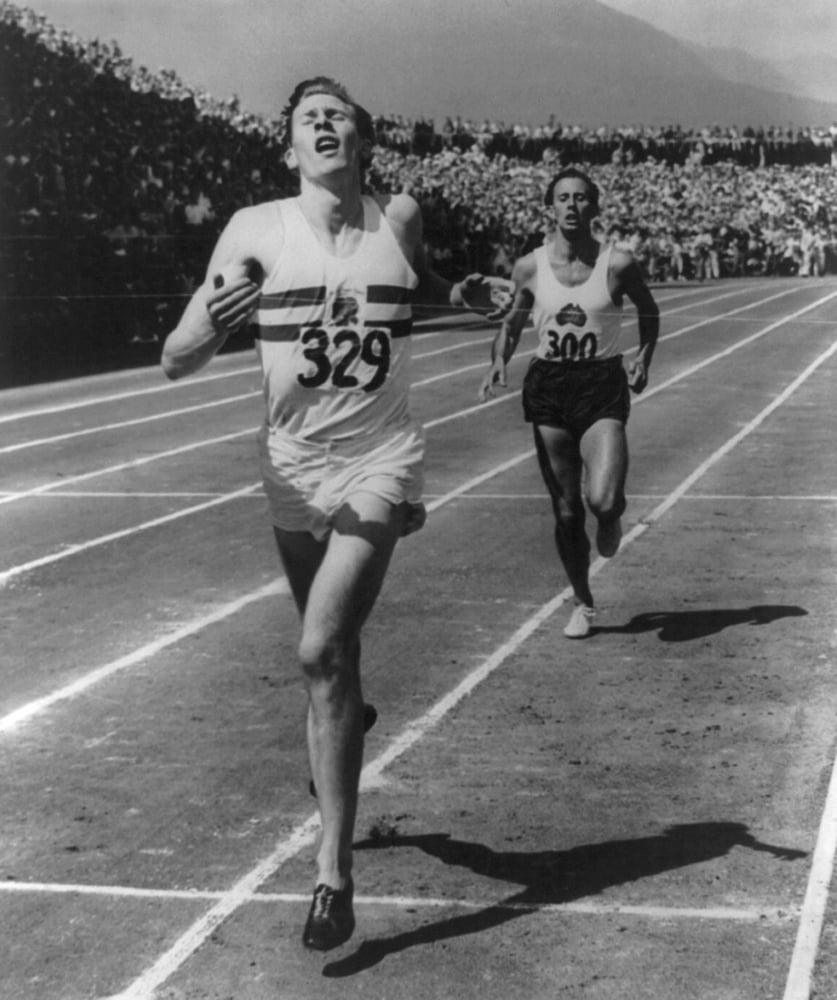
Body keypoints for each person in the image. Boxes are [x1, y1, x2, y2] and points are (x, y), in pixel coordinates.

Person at [161, 76, 512, 952]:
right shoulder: (254, 228)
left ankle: (332, 875)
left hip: (378, 461)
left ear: (362, 142)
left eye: (337, 117)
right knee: (337, 669)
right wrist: (213, 320)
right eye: (305, 120)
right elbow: (175, 358)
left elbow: (424, 297)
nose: (321, 125)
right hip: (290, 467)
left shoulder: (396, 219)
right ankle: (348, 721)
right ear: (289, 150)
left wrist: (479, 302)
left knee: (320, 651)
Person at [478, 166, 659, 639]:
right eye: (564, 198)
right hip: (550, 386)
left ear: (595, 208)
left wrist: (644, 356)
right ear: (550, 208)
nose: (573, 206)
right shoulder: (529, 267)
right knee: (565, 509)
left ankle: (612, 514)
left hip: (601, 385)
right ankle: (583, 600)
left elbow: (649, 309)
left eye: (582, 198)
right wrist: (499, 360)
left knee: (601, 499)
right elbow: (513, 323)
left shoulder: (616, 264)